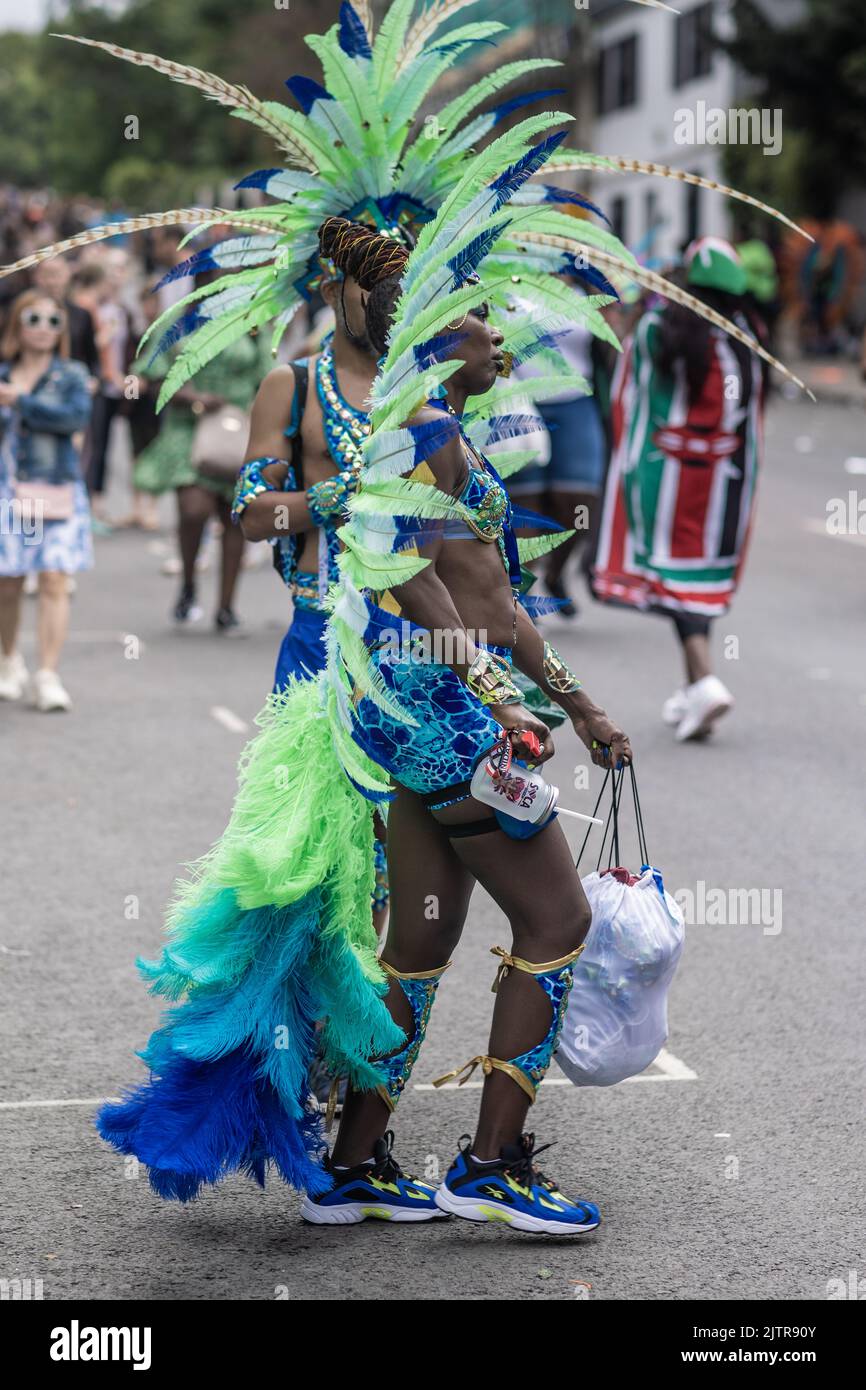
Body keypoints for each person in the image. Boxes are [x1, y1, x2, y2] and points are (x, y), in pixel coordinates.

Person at [593, 238, 768, 741]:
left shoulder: (657, 329)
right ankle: (694, 688)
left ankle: (705, 679)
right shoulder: (748, 336)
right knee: (695, 582)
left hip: (663, 479)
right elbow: (750, 421)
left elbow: (630, 397)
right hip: (720, 491)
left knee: (671, 579)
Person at [133, 275, 270, 632]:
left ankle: (226, 606)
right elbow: (148, 377)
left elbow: (269, 378)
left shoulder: (253, 325)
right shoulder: (178, 325)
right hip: (189, 430)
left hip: (238, 430)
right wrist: (192, 398)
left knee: (235, 517)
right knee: (193, 509)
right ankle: (189, 583)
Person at [0, 291, 92, 710]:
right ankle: (8, 659)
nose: (43, 328)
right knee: (10, 581)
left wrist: (21, 400)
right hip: (9, 490)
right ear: (18, 324)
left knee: (55, 578)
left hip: (52, 488)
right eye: (34, 318)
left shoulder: (71, 374)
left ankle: (48, 674)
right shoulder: (2, 372)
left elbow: (74, 418)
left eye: (54, 321)